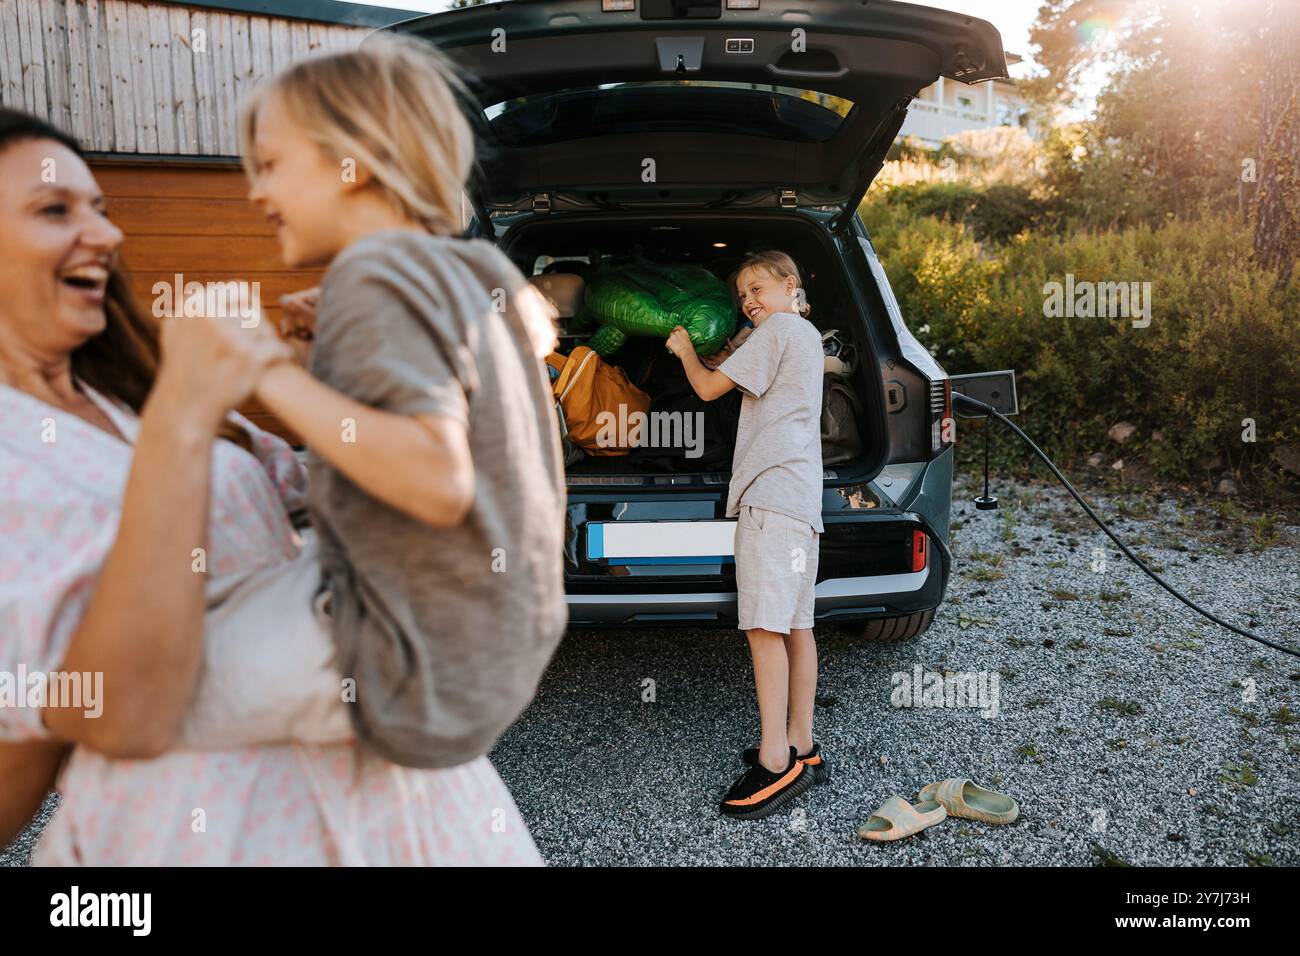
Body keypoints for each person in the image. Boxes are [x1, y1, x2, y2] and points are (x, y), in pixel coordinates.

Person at [0, 106, 544, 865]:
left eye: (101, 207)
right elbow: (116, 717)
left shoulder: (126, 394)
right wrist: (183, 418)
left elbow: (319, 493)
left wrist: (332, 376)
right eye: (55, 209)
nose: (107, 235)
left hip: (405, 808)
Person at [235, 34, 568, 769]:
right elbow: (535, 331)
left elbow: (433, 479)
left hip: (398, 672)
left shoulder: (371, 272)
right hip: (493, 655)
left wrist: (264, 370)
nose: (254, 192)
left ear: (356, 157)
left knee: (129, 671)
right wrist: (311, 357)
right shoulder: (475, 264)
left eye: (269, 165)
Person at [666, 250, 827, 820]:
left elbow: (709, 390)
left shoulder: (779, 326)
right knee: (797, 626)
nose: (748, 302)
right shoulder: (803, 336)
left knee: (763, 628)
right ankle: (802, 744)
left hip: (769, 498)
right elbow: (740, 376)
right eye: (741, 296)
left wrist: (685, 351)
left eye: (757, 288)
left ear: (790, 285)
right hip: (801, 499)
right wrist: (723, 350)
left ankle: (774, 758)